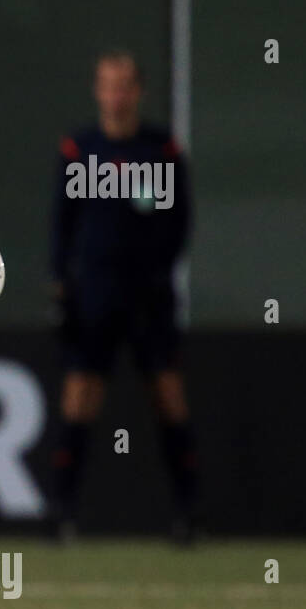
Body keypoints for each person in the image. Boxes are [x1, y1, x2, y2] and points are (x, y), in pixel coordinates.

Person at [49, 50, 197, 544]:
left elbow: (179, 222)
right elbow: (61, 224)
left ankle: (187, 515)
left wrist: (158, 273)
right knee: (80, 398)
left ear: (138, 92)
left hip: (149, 296)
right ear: (97, 90)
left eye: (124, 86)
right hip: (95, 293)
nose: (115, 95)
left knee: (168, 396)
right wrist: (61, 283)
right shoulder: (77, 149)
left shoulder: (162, 150)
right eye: (106, 85)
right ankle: (62, 514)